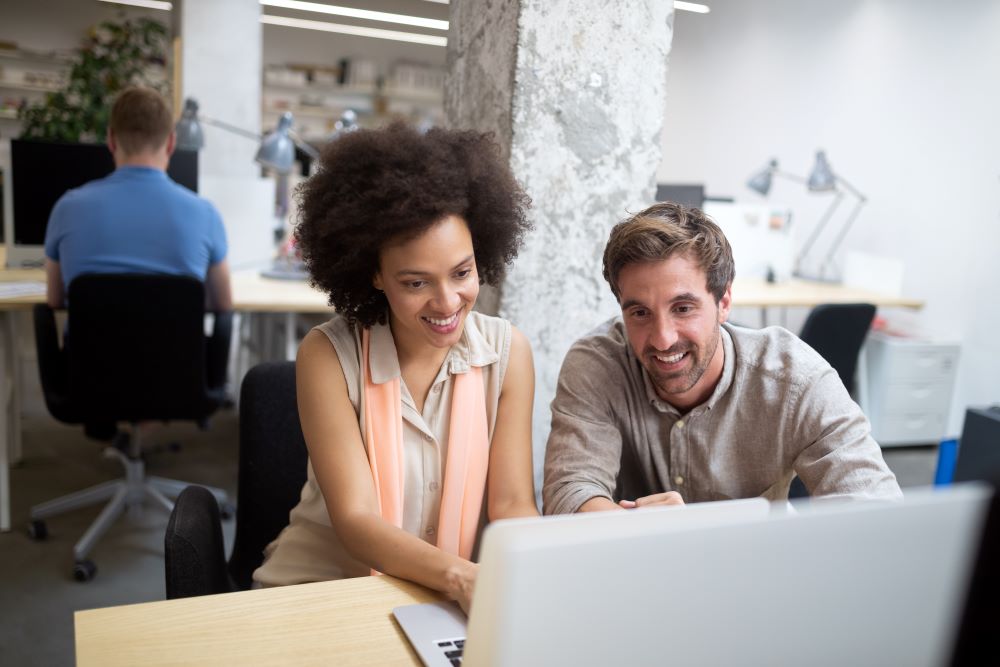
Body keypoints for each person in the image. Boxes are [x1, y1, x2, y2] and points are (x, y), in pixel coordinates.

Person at [252, 123, 538, 613]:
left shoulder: (508, 355)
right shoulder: (327, 356)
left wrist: (536, 570)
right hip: (322, 591)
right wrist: (462, 579)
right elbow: (358, 520)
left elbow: (512, 506)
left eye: (462, 272)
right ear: (375, 274)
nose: (447, 302)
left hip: (445, 598)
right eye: (415, 283)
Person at [543, 201, 901, 516]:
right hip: (634, 573)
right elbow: (569, 494)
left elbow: (874, 511)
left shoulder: (796, 380)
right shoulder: (597, 365)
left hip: (753, 577)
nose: (663, 338)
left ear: (724, 302)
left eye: (683, 308)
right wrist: (647, 532)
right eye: (639, 313)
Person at [43, 86, 232, 313]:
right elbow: (223, 304)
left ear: (111, 141)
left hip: (92, 349)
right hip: (175, 349)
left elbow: (54, 300)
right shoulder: (205, 214)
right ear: (171, 143)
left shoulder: (67, 209)